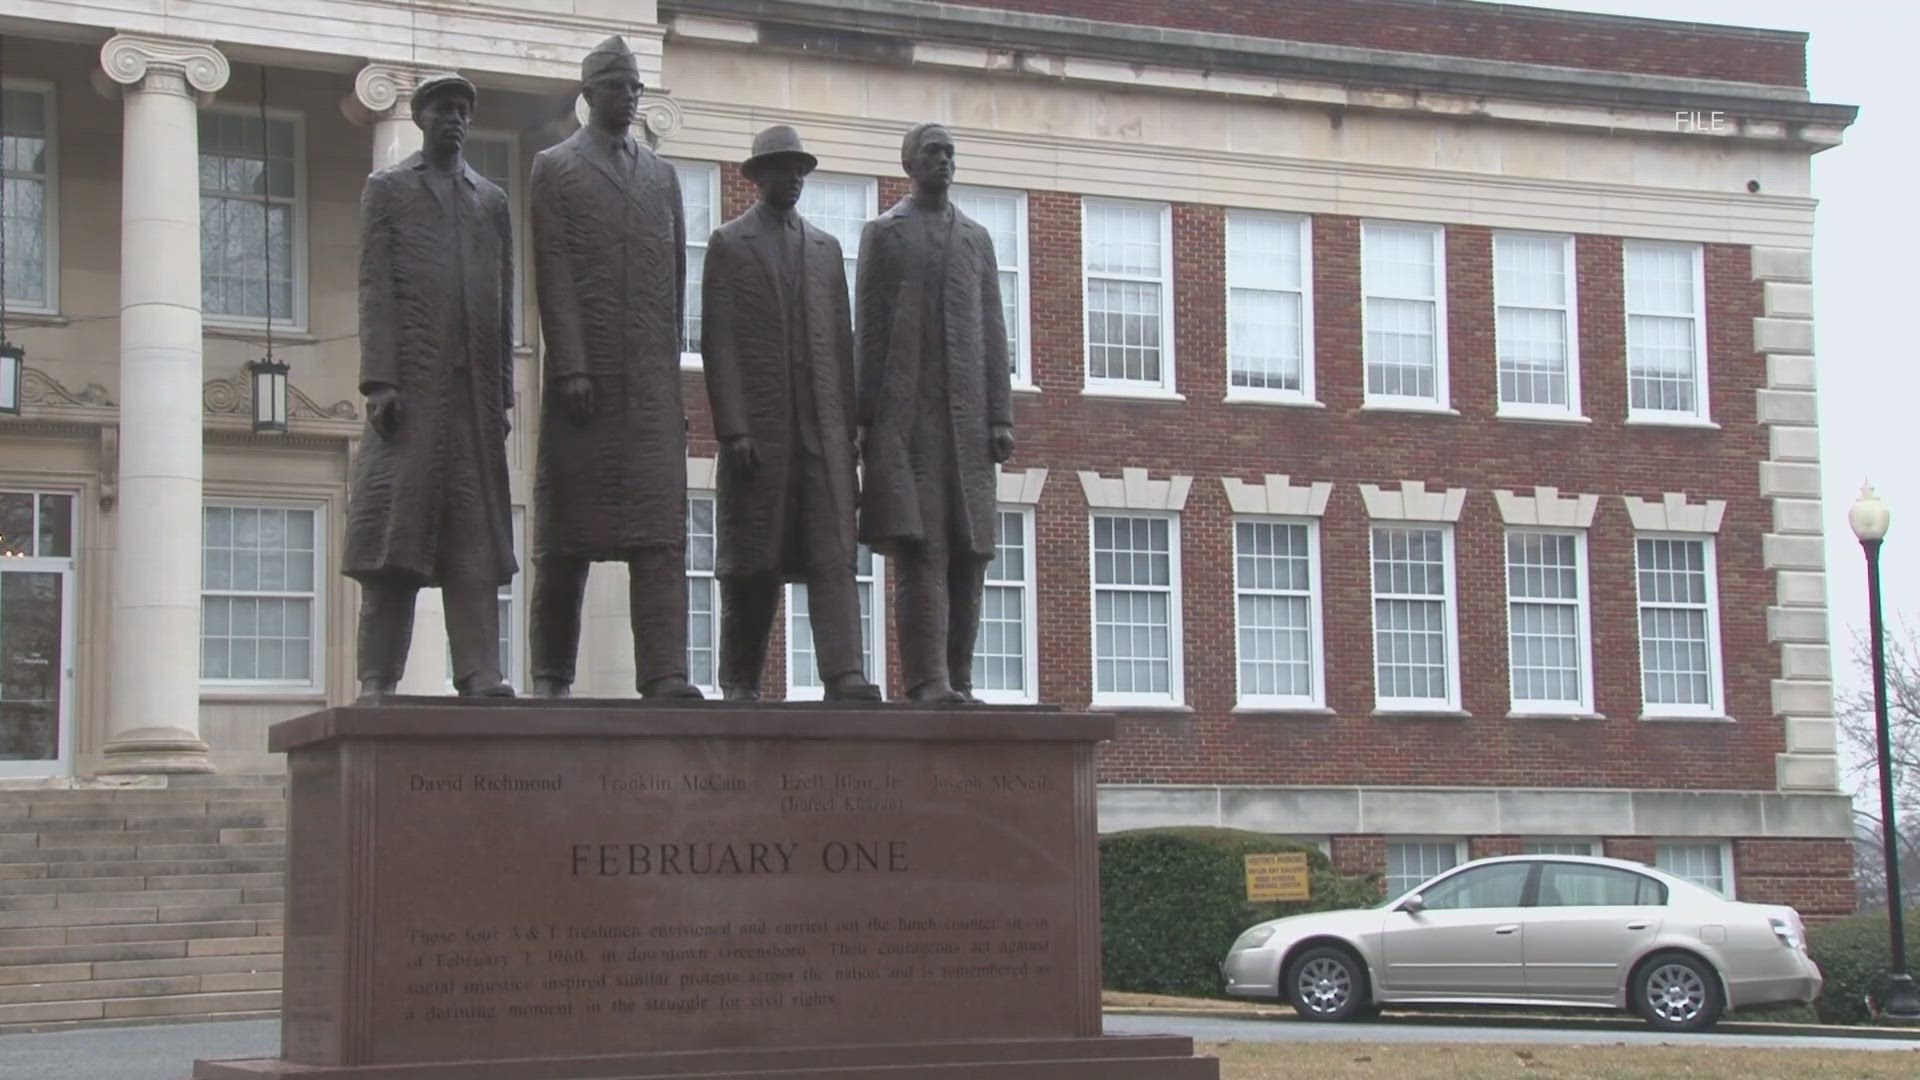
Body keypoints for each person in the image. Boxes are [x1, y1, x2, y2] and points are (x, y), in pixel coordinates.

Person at [527, 36, 701, 699]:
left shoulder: (662, 175)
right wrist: (569, 362)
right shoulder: (556, 166)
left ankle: (665, 673)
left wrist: (670, 375)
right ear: (591, 91)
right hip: (586, 384)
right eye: (620, 86)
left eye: (635, 88)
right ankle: (551, 676)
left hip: (651, 388)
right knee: (566, 541)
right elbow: (553, 267)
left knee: (660, 538)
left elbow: (678, 276)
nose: (631, 98)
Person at [343, 72, 517, 701]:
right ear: (421, 118)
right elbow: (375, 286)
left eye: (465, 111)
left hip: (471, 404)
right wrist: (380, 378)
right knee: (394, 544)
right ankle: (377, 679)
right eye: (445, 109)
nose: (456, 120)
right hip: (411, 397)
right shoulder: (389, 190)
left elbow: (504, 303)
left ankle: (479, 672)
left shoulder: (489, 200)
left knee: (472, 543)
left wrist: (502, 395)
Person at [701, 126, 882, 703]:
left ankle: (844, 673)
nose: (793, 179)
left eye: (800, 170)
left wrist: (849, 426)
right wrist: (733, 428)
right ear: (757, 177)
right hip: (760, 435)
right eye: (781, 169)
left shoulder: (827, 250)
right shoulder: (729, 244)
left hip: (823, 436)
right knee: (752, 566)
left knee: (833, 557)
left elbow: (842, 339)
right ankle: (740, 680)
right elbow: (718, 341)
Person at [855, 122, 1014, 703]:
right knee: (922, 550)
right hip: (907, 423)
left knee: (970, 556)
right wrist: (864, 419)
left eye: (950, 153)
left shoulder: (977, 238)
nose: (944, 161)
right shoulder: (884, 235)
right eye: (932, 152)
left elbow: (994, 332)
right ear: (910, 163)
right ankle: (927, 680)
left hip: (969, 427)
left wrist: (1001, 416)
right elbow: (867, 330)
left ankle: (962, 678)